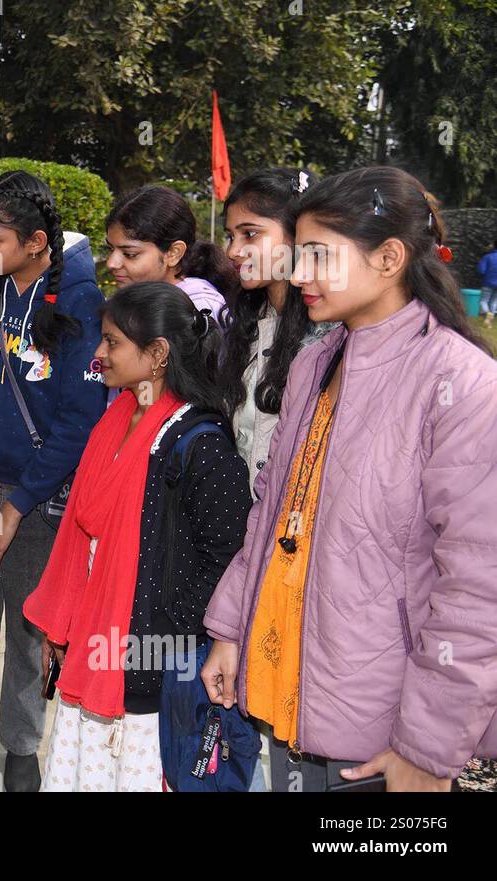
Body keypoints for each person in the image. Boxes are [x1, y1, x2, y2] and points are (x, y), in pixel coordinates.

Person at [202, 166, 497, 792]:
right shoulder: (316, 360)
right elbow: (271, 511)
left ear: (389, 257)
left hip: (380, 722)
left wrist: (426, 747)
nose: (299, 273)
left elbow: (478, 586)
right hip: (288, 685)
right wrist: (231, 628)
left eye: (318, 256)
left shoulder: (461, 385)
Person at [23, 281, 251, 792]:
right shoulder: (117, 418)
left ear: (157, 354)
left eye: (112, 342)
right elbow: (83, 539)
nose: (98, 354)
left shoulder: (201, 446)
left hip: (147, 671)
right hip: (94, 647)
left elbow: (229, 558)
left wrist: (160, 635)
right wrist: (64, 631)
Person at [0, 170, 107, 792]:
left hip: (40, 502)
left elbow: (77, 423)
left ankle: (23, 745)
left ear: (36, 241)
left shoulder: (82, 306)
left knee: (31, 633)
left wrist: (17, 509)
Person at [222, 169, 336, 495]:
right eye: (231, 236)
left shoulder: (331, 336)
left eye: (250, 234)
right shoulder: (244, 325)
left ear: (298, 235)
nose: (233, 250)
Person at [105, 184, 239, 326]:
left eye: (129, 254)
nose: (111, 263)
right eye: (110, 249)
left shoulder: (196, 309)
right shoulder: (139, 300)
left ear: (173, 253)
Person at [477, 238, 497, 328]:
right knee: (493, 303)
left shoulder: (487, 257)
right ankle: (489, 322)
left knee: (483, 301)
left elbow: (481, 270)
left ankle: (486, 314)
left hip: (488, 283)